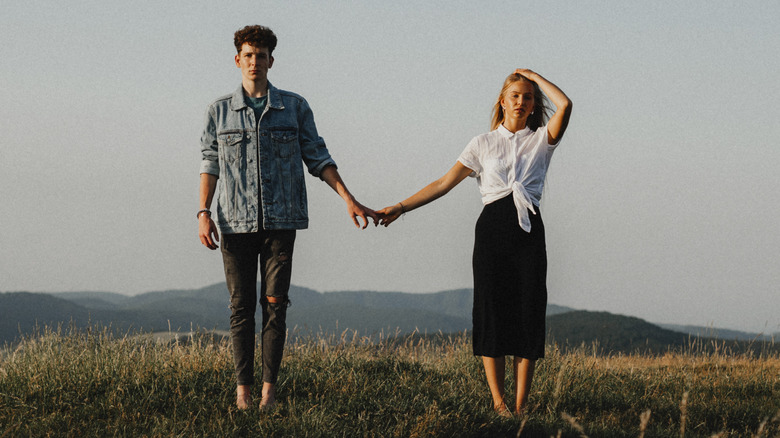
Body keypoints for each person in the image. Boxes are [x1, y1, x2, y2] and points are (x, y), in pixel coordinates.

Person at [198, 25, 377, 410]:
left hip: (281, 223)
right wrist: (202, 212)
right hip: (233, 223)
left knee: (275, 303)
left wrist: (348, 199)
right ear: (237, 60)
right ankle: (242, 391)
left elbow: (318, 158)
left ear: (271, 61)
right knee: (241, 307)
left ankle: (268, 391)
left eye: (260, 55)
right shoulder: (219, 111)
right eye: (247, 55)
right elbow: (210, 164)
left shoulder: (294, 107)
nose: (254, 62)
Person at [377, 69, 571, 415]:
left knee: (528, 313)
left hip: (529, 232)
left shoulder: (542, 139)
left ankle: (521, 405)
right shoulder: (482, 143)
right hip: (493, 232)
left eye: (528, 97)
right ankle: (499, 404)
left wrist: (533, 77)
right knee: (491, 311)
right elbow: (443, 183)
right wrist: (401, 207)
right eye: (515, 95)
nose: (521, 102)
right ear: (502, 100)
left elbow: (566, 105)